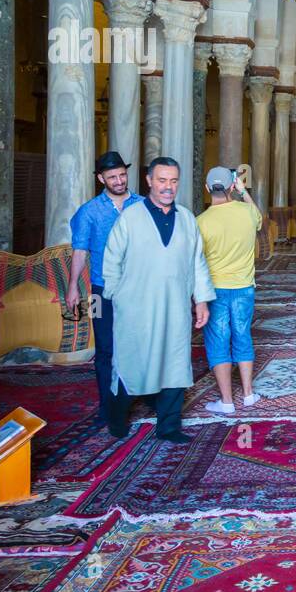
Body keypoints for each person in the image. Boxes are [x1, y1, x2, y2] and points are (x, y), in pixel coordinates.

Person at [101, 157, 215, 443]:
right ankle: (116, 421)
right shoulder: (131, 216)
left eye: (174, 181)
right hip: (136, 308)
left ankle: (169, 427)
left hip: (175, 306)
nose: (168, 187)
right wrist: (117, 296)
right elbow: (111, 260)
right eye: (162, 180)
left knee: (175, 364)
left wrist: (201, 300)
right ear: (149, 181)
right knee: (131, 363)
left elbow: (197, 263)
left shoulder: (187, 218)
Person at [66, 151, 145, 427]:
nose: (120, 180)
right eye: (113, 177)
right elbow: (80, 251)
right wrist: (73, 286)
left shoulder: (144, 205)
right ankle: (107, 404)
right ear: (101, 178)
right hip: (100, 290)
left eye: (123, 175)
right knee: (105, 348)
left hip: (137, 289)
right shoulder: (89, 211)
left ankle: (132, 396)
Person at [197, 167, 264, 415]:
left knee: (218, 342)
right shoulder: (247, 213)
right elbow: (259, 219)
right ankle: (248, 394)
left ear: (207, 188)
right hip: (244, 287)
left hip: (215, 290)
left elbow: (197, 261)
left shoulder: (201, 222)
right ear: (231, 187)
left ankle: (226, 401)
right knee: (242, 336)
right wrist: (243, 192)